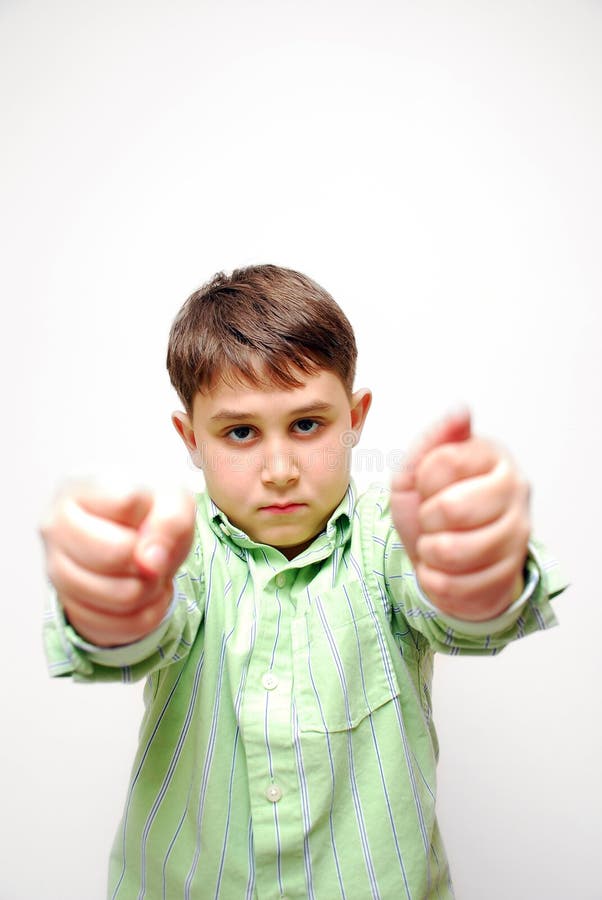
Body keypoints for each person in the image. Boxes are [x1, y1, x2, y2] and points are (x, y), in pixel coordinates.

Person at [42, 264, 566, 899]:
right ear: (191, 439)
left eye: (307, 425)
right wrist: (116, 609)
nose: (281, 470)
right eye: (240, 433)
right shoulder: (177, 547)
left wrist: (475, 578)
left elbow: (455, 606)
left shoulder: (391, 542)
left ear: (355, 417)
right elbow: (143, 626)